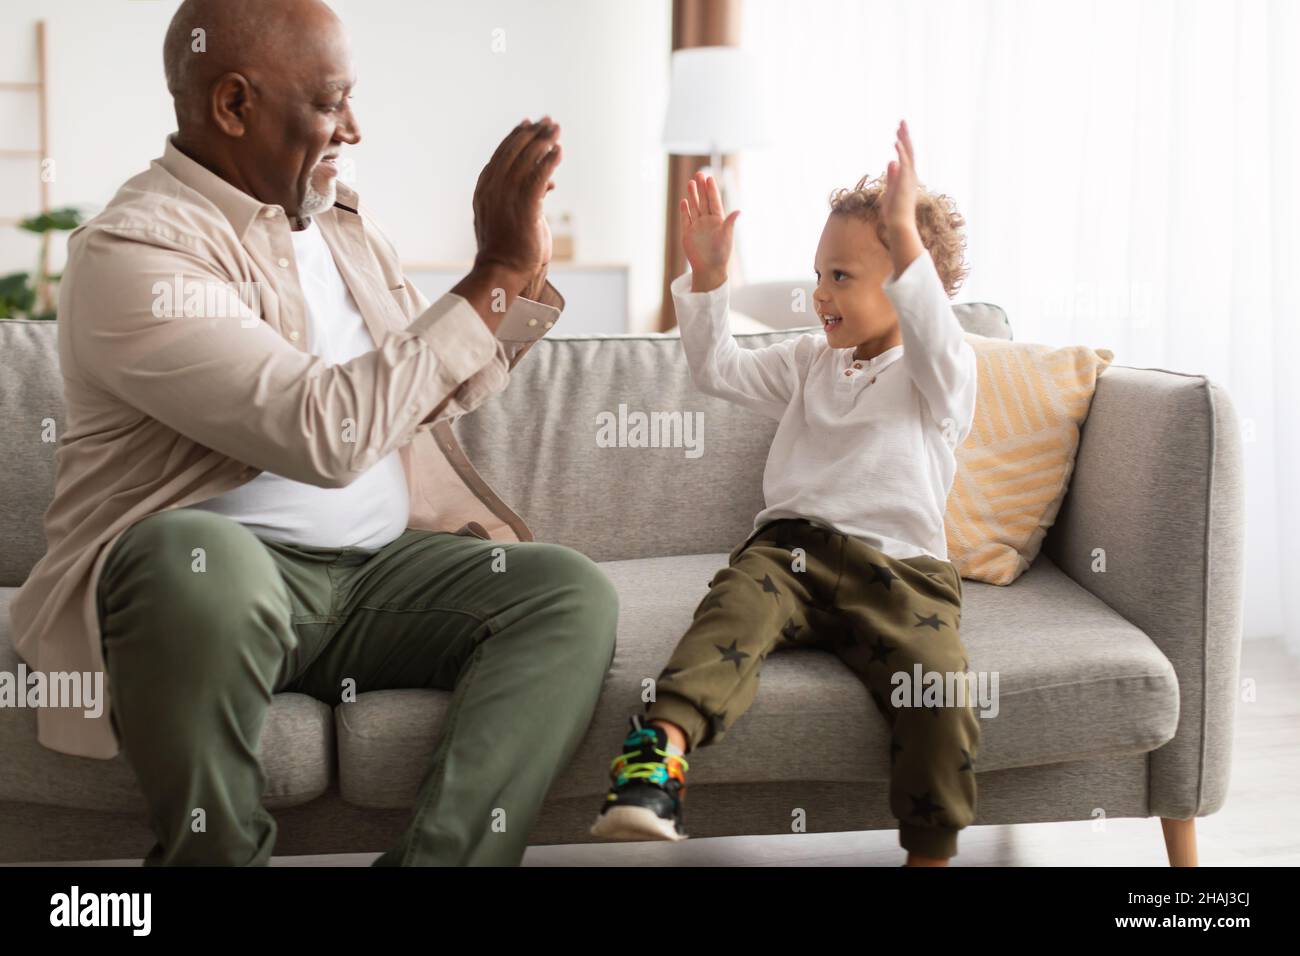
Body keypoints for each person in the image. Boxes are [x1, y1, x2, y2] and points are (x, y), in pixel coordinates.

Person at [9, 0, 618, 866]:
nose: (354, 128)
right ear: (233, 105)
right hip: (216, 585)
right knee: (203, 565)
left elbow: (444, 389)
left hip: (374, 576)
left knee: (565, 590)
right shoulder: (132, 254)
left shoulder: (340, 227)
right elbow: (323, 433)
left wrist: (517, 285)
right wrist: (490, 273)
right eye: (331, 103)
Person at [591, 121, 980, 866]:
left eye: (843, 277)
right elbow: (718, 370)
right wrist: (709, 280)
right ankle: (653, 766)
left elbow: (937, 337)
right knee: (726, 614)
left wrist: (904, 231)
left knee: (938, 688)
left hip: (900, 574)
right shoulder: (808, 360)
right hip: (789, 555)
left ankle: (929, 853)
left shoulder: (937, 379)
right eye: (819, 273)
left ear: (906, 283)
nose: (820, 293)